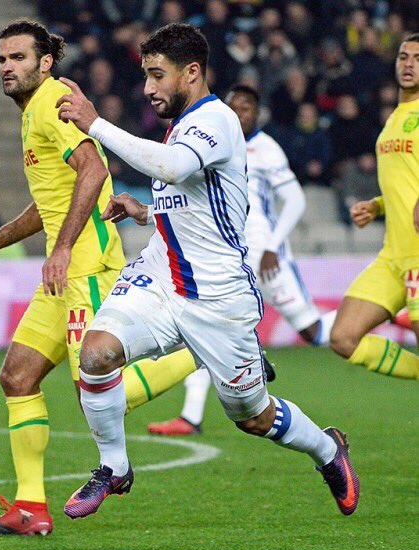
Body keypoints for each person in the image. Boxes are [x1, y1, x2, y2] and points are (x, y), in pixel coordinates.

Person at [55, 23, 358, 518]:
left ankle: (328, 450)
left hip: (218, 296)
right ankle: (114, 467)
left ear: (191, 73)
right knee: (96, 354)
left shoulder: (215, 120)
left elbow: (173, 168)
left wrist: (96, 123)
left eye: (157, 75)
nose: (148, 88)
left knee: (252, 417)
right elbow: (198, 205)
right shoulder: (182, 123)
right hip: (161, 274)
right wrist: (147, 213)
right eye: (145, 75)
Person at [0, 20, 200, 538]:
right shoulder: (33, 115)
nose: (7, 67)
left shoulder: (51, 102)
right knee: (17, 378)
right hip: (63, 271)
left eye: (18, 58)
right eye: (2, 59)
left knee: (98, 387)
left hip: (86, 266)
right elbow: (50, 201)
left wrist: (64, 247)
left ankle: (205, 350)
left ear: (45, 63)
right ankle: (29, 509)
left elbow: (94, 169)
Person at [148, 85, 337, 436]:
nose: (240, 113)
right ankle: (191, 416)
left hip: (266, 257)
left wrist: (273, 246)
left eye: (247, 107)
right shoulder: (213, 140)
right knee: (205, 330)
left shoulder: (266, 149)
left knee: (315, 332)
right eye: (234, 107)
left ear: (258, 113)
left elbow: (294, 200)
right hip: (228, 258)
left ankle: (378, 312)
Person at [329, 34, 419, 381]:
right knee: (343, 337)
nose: (408, 63)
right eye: (403, 56)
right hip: (393, 257)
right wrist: (378, 206)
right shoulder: (395, 118)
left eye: (417, 58)